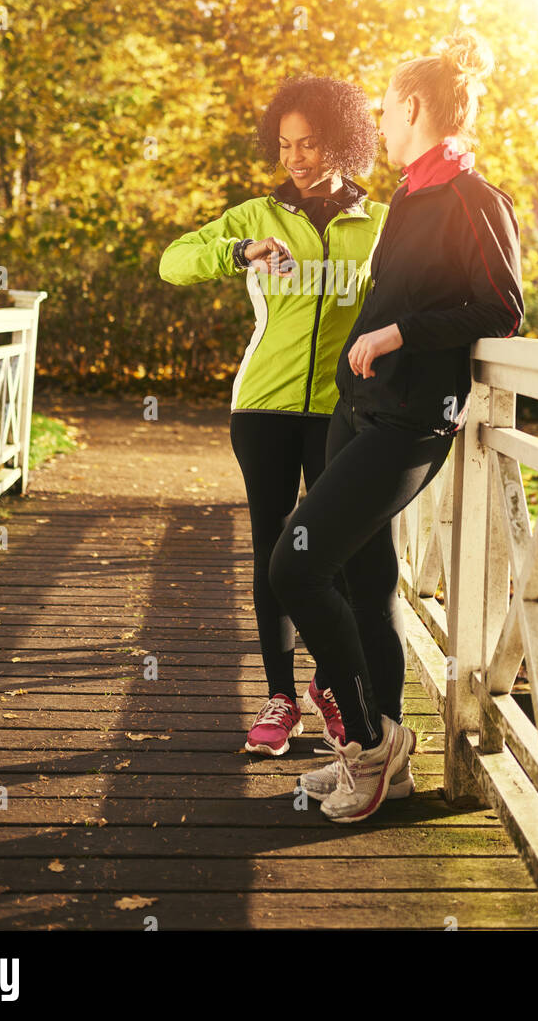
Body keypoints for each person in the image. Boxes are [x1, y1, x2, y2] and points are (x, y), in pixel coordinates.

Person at [269, 30, 524, 822]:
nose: (376, 118)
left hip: (413, 423)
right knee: (362, 582)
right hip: (362, 412)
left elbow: (502, 309)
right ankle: (391, 762)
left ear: (413, 106)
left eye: (384, 104)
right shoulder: (412, 194)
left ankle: (370, 750)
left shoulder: (473, 199)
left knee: (294, 568)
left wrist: (397, 333)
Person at [159, 75, 388, 755]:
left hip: (340, 412)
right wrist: (239, 252)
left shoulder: (379, 223)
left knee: (331, 556)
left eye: (310, 144)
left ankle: (332, 688)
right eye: (285, 145)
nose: (294, 158)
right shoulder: (257, 215)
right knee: (271, 551)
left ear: (343, 141)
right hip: (260, 407)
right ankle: (280, 697)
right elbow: (174, 262)